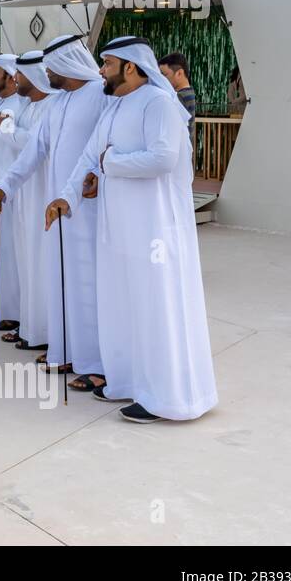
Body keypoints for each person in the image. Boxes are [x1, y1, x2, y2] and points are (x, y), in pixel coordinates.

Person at [49, 36, 217, 423]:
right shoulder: (114, 106)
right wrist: (66, 196)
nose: (101, 71)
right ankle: (127, 382)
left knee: (155, 307)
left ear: (129, 67)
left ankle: (168, 397)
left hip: (153, 228)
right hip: (118, 227)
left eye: (106, 64)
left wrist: (111, 165)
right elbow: (88, 156)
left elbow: (162, 159)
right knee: (121, 304)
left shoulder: (159, 104)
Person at [0, 35, 108, 378]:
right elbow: (34, 151)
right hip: (58, 208)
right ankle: (68, 350)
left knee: (89, 287)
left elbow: (107, 145)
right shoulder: (58, 103)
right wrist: (5, 184)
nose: (46, 73)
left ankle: (96, 361)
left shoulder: (100, 96)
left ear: (66, 64)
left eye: (50, 66)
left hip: (90, 210)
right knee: (63, 283)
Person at [0, 52, 59, 349]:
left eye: (18, 75)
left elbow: (34, 145)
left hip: (43, 193)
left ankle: (44, 333)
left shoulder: (51, 105)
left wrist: (5, 127)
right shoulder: (24, 106)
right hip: (20, 192)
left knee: (39, 263)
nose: (16, 79)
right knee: (24, 262)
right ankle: (28, 325)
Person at [158, 51, 197, 125]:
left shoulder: (179, 97)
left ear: (179, 73)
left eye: (165, 75)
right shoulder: (189, 92)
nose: (162, 79)